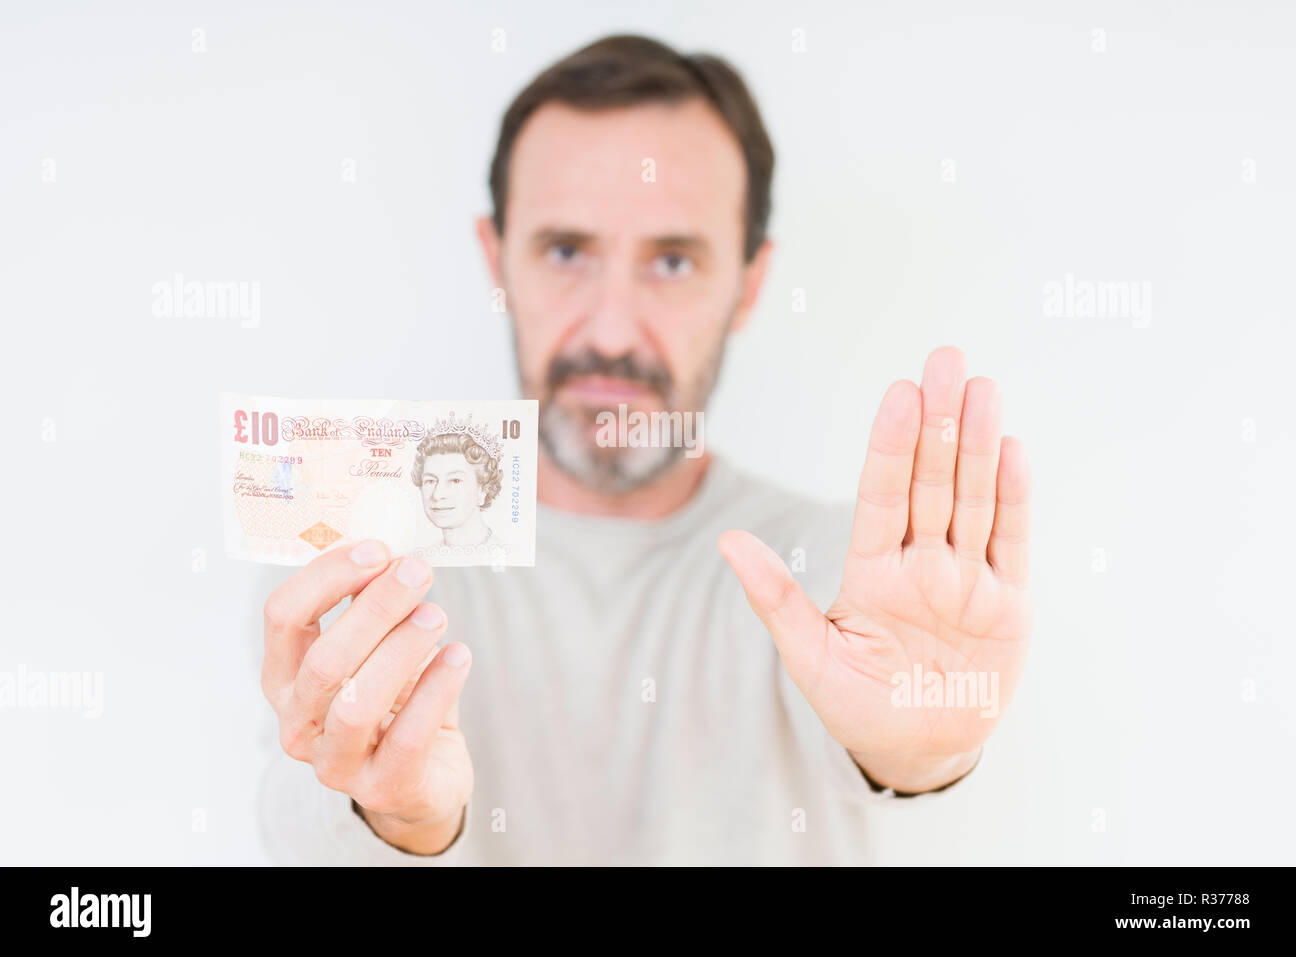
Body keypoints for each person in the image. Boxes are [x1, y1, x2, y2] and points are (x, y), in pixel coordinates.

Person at [258, 34, 1033, 865]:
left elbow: (897, 754)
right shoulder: (361, 574)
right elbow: (294, 833)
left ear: (749, 282)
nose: (613, 331)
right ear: (497, 261)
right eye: (566, 251)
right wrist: (399, 820)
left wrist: (919, 756)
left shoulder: (851, 581)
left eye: (672, 259)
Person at [411, 422, 504, 547]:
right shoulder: (423, 555)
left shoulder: (506, 553)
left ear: (483, 489)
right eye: (430, 481)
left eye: (455, 480)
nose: (437, 495)